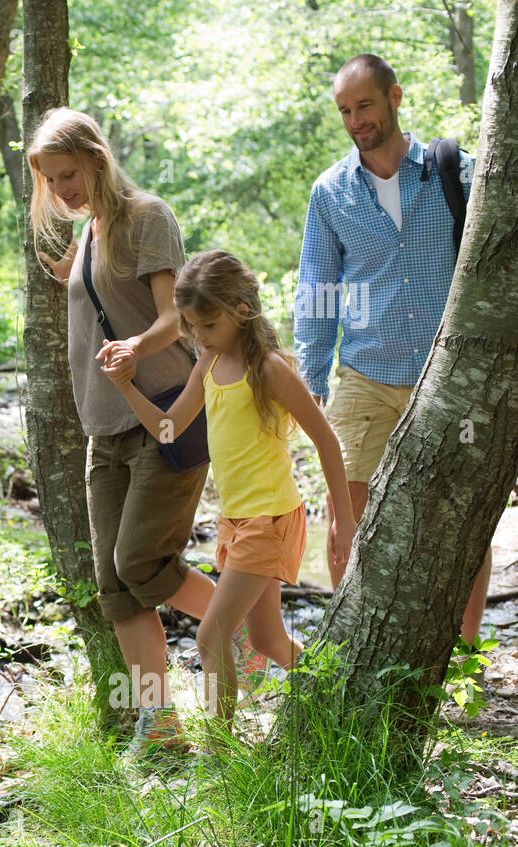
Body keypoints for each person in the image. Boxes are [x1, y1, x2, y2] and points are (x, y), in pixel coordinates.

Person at [28, 108, 217, 757]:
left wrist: (136, 346)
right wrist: (68, 275)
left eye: (68, 174)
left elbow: (177, 317)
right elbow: (99, 295)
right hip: (102, 430)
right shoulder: (89, 234)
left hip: (163, 418)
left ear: (97, 159)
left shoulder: (147, 217)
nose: (62, 190)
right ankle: (160, 727)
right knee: (115, 586)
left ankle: (244, 622)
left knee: (140, 562)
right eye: (51, 182)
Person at [103, 250, 357, 728]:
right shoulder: (208, 363)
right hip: (236, 522)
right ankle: (341, 699)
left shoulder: (271, 369)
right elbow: (166, 430)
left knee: (211, 637)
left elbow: (326, 439)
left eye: (208, 325)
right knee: (266, 642)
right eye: (192, 327)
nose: (198, 336)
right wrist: (125, 385)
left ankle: (221, 755)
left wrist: (343, 520)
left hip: (271, 518)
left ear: (242, 310)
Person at [295, 53, 490, 643]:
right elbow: (319, 289)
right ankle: (348, 652)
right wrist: (311, 378)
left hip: (449, 376)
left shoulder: (460, 174)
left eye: (365, 105)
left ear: (395, 98)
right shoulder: (330, 192)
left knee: (463, 523)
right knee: (344, 517)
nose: (356, 120)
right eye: (345, 111)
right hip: (365, 374)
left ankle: (463, 652)